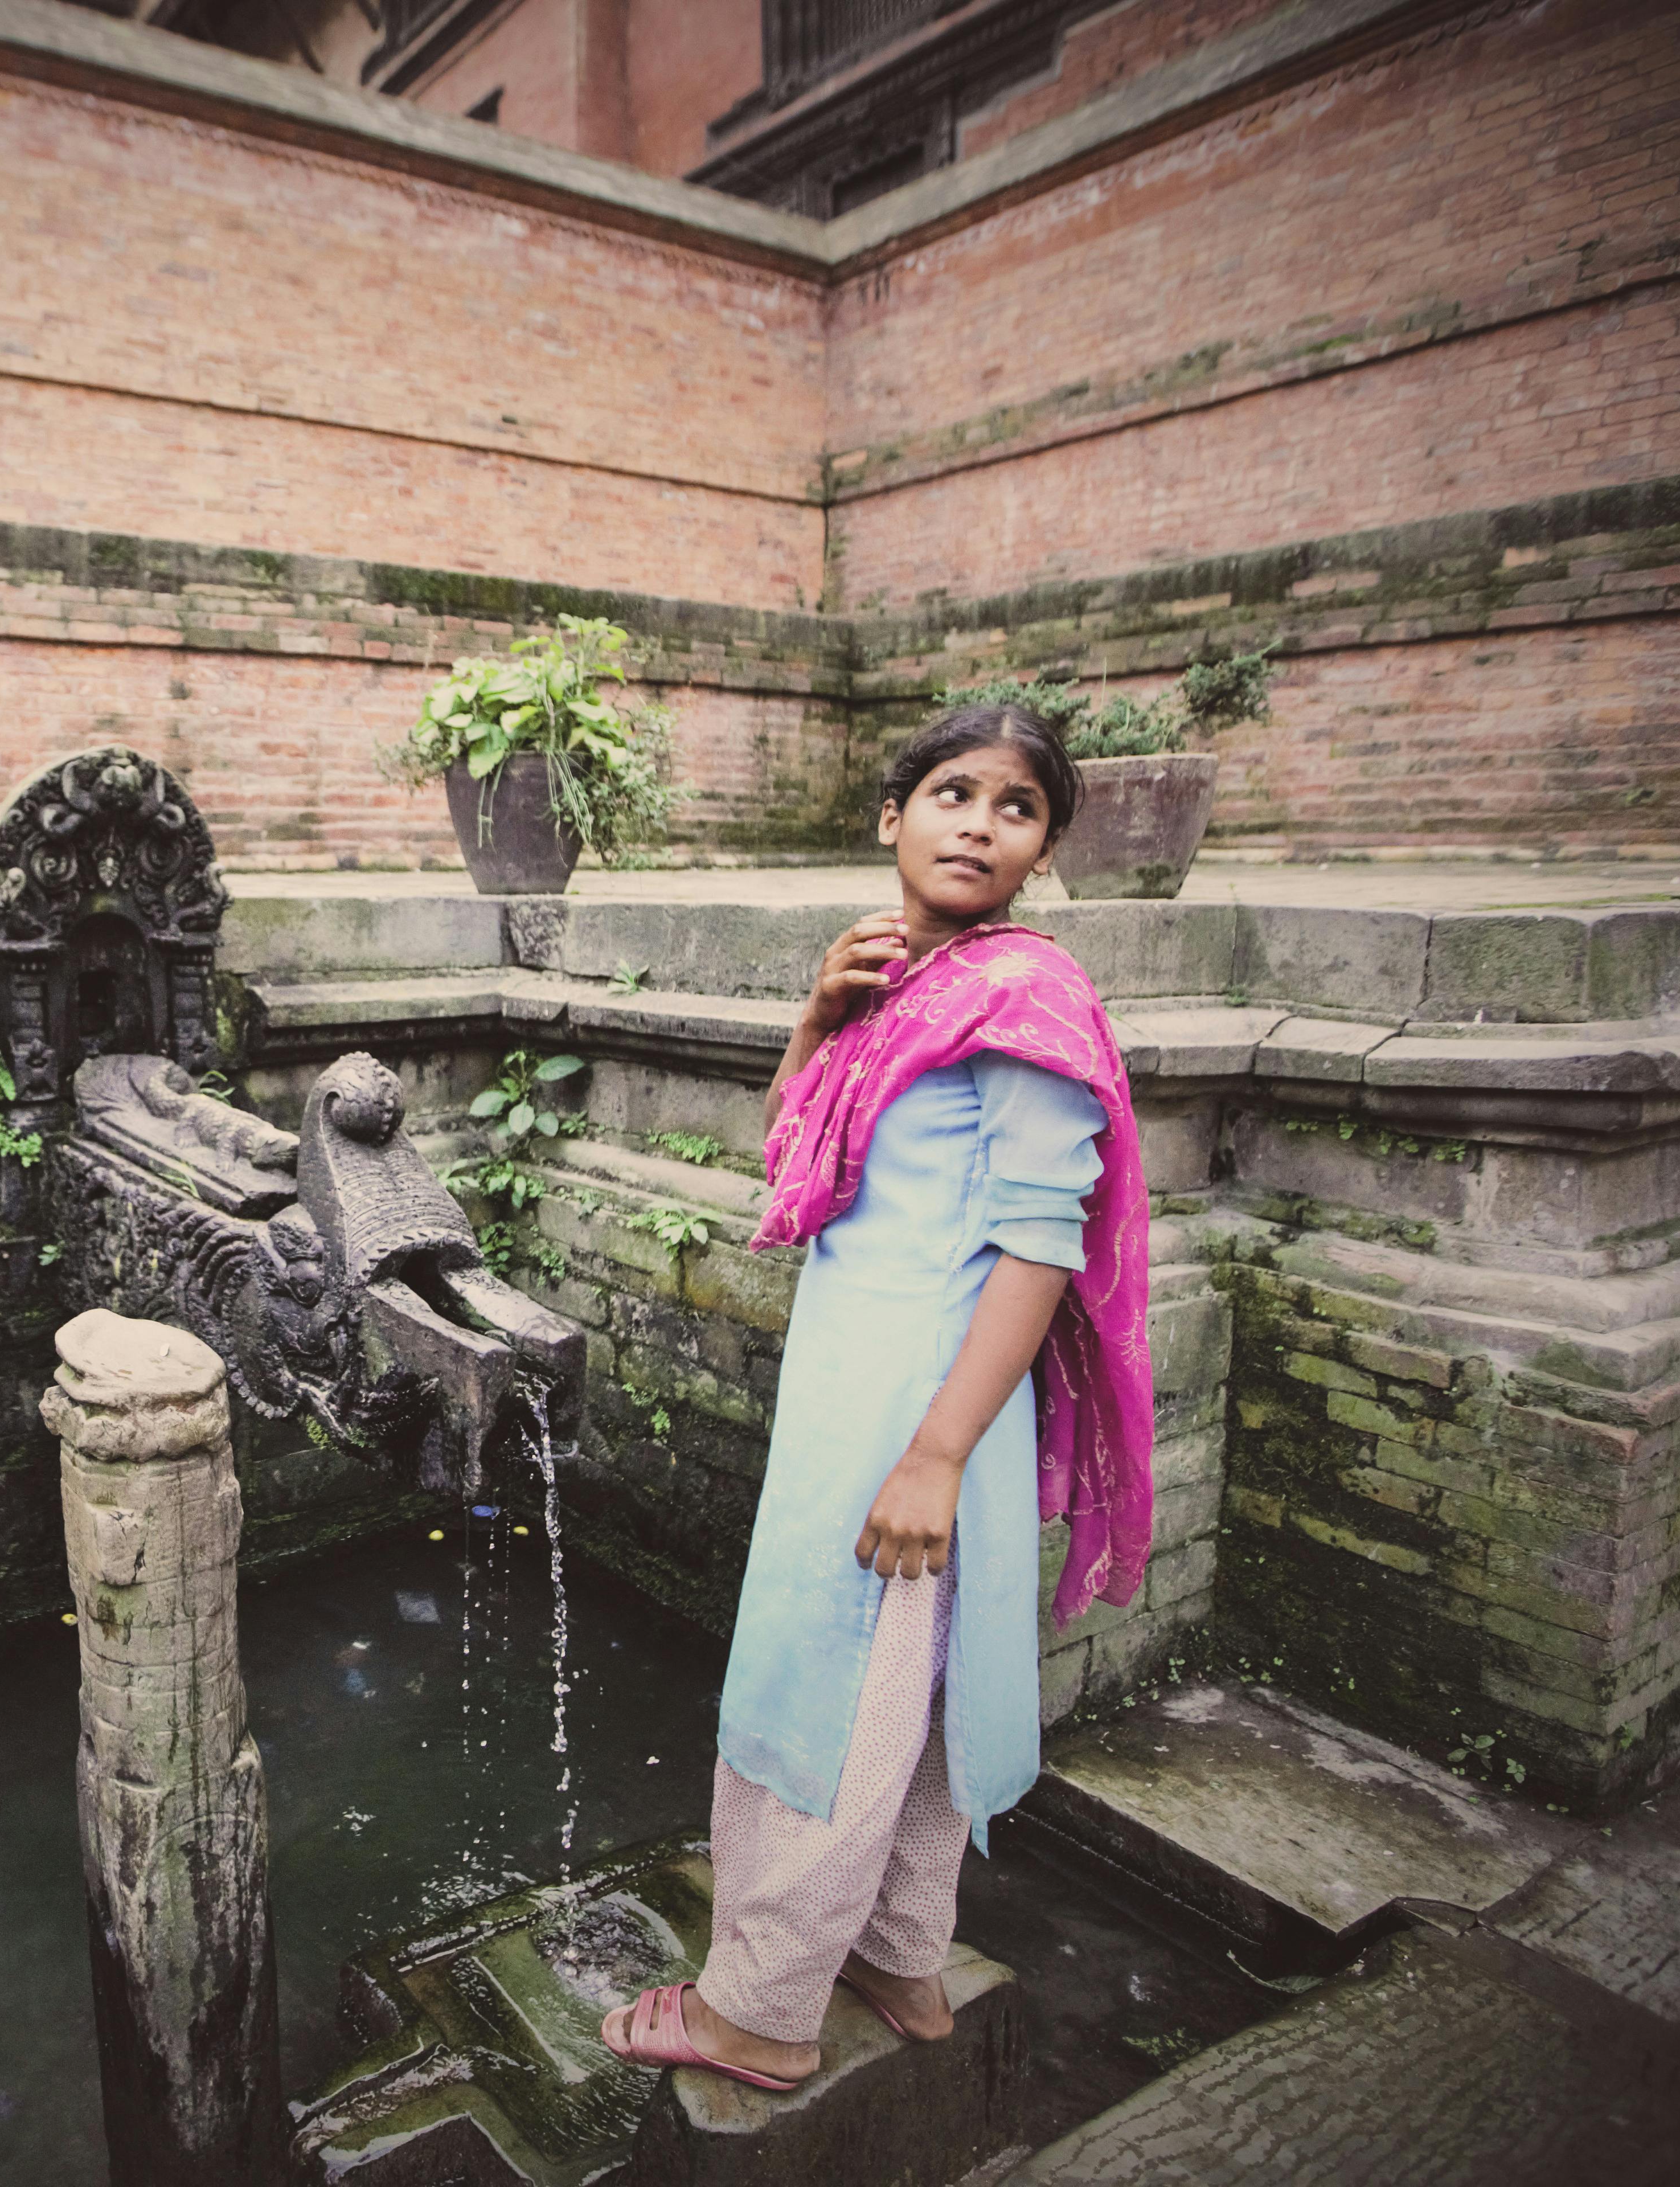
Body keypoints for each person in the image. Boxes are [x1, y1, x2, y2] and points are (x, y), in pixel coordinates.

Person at [601, 703, 1157, 2088]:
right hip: (869, 1391)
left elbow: (1042, 1246)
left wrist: (936, 1454)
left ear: (1043, 848)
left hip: (921, 1404)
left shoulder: (1024, 1001)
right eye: (953, 792)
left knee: (828, 1690)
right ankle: (903, 1962)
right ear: (893, 816)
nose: (978, 821)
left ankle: (758, 2014)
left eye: (1016, 806)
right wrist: (818, 1012)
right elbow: (796, 1160)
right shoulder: (901, 983)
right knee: (903, 1690)